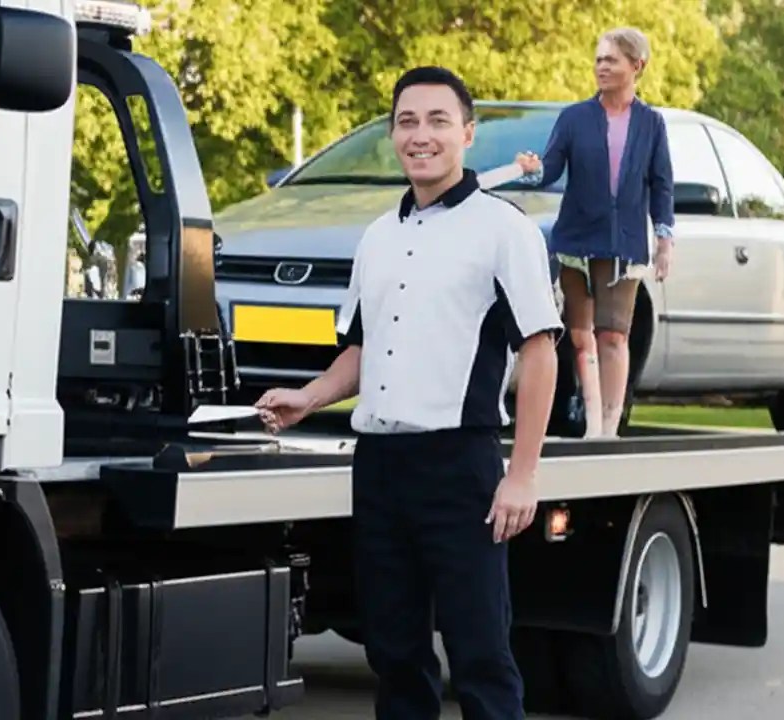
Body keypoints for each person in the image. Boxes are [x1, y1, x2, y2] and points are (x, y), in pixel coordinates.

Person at [255, 66, 563, 719]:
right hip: (380, 470)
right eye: (406, 121)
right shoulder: (377, 236)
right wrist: (310, 395)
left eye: (437, 121)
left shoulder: (504, 230)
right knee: (394, 656)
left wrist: (524, 475)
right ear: (394, 134)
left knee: (480, 654)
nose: (420, 135)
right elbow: (363, 349)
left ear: (468, 134)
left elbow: (540, 350)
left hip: (462, 469)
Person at [486, 26, 674, 438]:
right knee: (581, 337)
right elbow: (551, 169)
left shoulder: (651, 124)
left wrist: (664, 241)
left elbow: (661, 184)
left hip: (623, 246)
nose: (601, 67)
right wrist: (533, 170)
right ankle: (592, 425)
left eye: (611, 60)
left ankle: (610, 424)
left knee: (613, 336)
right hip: (574, 241)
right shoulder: (574, 118)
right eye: (598, 59)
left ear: (636, 66)